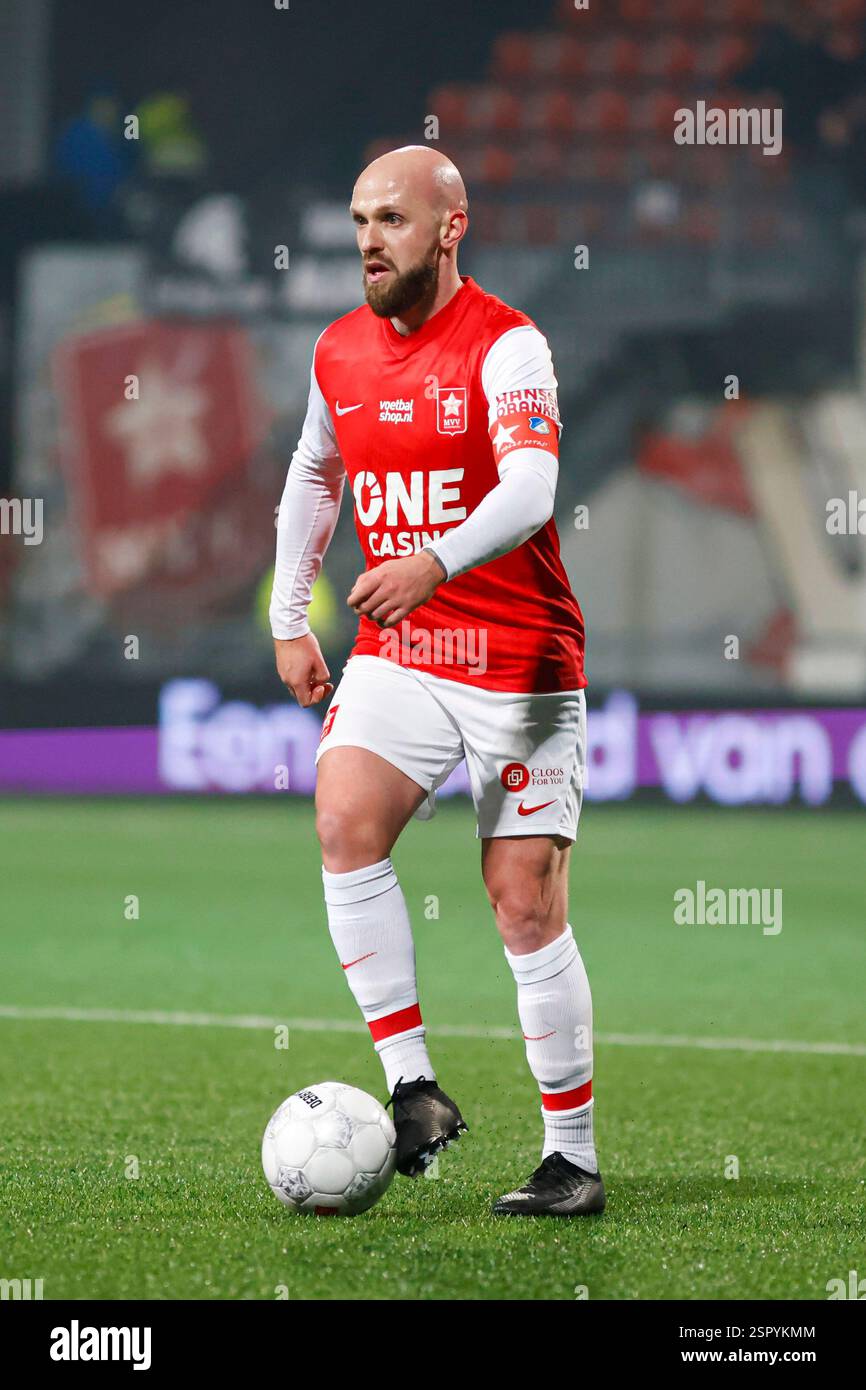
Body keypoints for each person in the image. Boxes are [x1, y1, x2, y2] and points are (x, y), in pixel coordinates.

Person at [269, 145, 603, 1217]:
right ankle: (414, 1090)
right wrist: (287, 616)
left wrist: (431, 559)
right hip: (405, 651)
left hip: (518, 659)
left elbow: (533, 487)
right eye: (359, 218)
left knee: (521, 903)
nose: (368, 239)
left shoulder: (507, 346)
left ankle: (571, 1158)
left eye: (392, 219)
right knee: (342, 822)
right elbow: (315, 471)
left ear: (450, 228)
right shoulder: (337, 352)